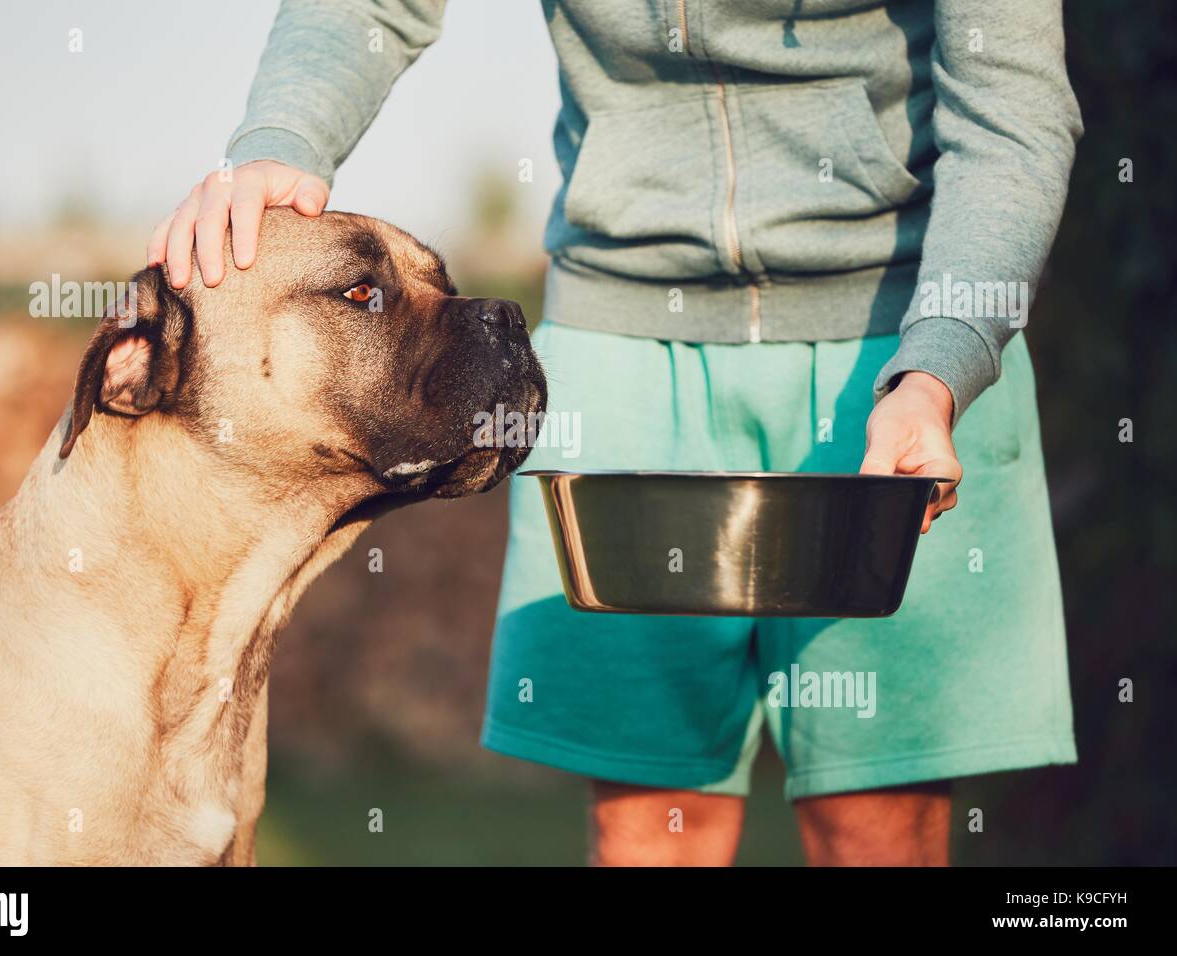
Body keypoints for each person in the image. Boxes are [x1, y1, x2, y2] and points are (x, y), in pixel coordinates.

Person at [150, 0, 1080, 866]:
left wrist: (940, 367)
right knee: (651, 833)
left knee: (877, 828)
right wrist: (280, 140)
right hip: (625, 325)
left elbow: (1011, 110)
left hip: (898, 337)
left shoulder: (926, 363)